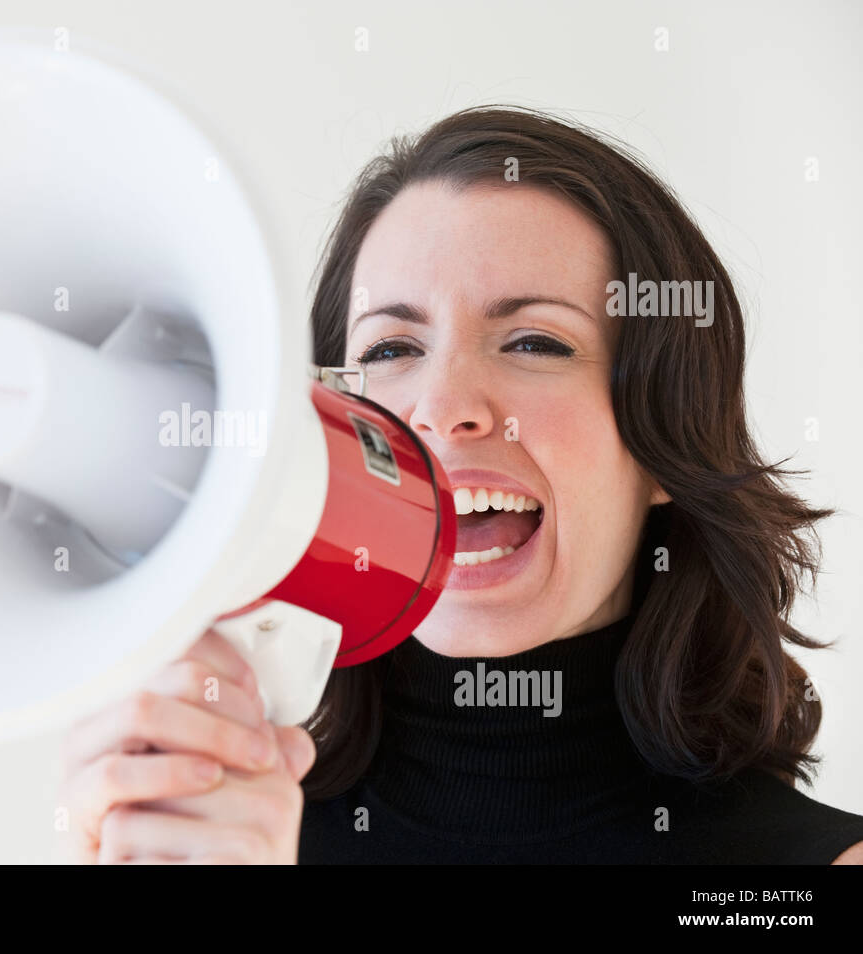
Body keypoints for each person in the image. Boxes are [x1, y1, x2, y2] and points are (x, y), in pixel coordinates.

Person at [56, 106, 863, 864]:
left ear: (663, 439)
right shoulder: (221, 837)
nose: (441, 410)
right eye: (389, 350)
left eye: (536, 342)